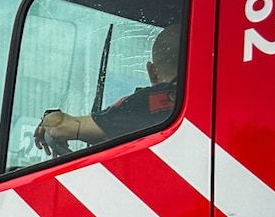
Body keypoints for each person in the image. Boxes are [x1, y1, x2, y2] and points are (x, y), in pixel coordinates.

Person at [34, 23, 180, 155]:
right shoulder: (190, 106)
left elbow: (61, 128)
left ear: (152, 71)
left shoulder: (148, 103)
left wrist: (49, 119)